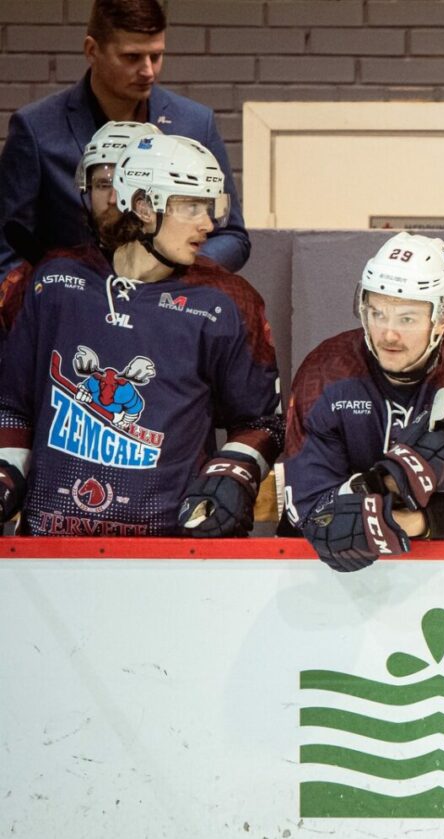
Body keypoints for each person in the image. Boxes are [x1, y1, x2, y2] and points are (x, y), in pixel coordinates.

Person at [0, 133, 280, 536]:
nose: (208, 224)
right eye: (190, 206)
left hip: (169, 550)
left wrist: (233, 473)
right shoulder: (54, 280)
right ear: (144, 205)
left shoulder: (227, 302)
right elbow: (12, 403)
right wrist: (6, 470)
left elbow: (264, 421)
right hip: (50, 547)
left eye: (210, 206)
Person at [281, 231, 444, 572]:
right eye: (377, 313)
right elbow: (311, 511)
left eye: (407, 318)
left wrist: (413, 521)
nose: (388, 334)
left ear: (442, 318)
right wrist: (385, 482)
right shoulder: (324, 376)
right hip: (336, 576)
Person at [0, 0, 249, 274]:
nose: (148, 71)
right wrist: (42, 305)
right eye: (132, 57)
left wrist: (167, 273)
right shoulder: (36, 129)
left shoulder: (195, 124)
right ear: (92, 50)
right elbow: (7, 251)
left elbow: (232, 236)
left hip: (170, 307)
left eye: (156, 56)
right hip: (72, 306)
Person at [0, 121, 157, 344]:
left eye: (128, 185)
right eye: (103, 185)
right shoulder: (45, 278)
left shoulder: (204, 287)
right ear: (86, 190)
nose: (114, 200)